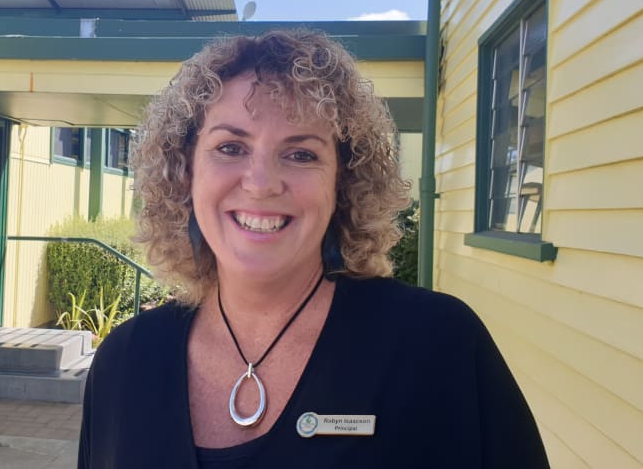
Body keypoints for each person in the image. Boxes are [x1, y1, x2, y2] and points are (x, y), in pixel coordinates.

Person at [78, 29, 549, 468]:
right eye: (230, 148)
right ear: (185, 171)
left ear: (344, 183)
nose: (261, 184)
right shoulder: (124, 362)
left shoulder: (439, 347)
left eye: (301, 154)